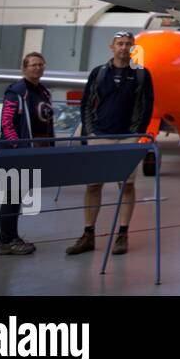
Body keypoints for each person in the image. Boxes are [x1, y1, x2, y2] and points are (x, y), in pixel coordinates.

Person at [66, 31, 154, 257]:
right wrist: (89, 133)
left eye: (127, 44)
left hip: (127, 138)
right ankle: (88, 233)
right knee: (93, 185)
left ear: (133, 48)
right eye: (119, 44)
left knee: (126, 186)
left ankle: (122, 233)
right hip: (99, 135)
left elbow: (147, 106)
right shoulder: (99, 73)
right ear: (111, 47)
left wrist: (137, 136)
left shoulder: (142, 74)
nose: (123, 48)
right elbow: (86, 103)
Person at [0, 52, 55, 256]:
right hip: (18, 153)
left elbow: (48, 123)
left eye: (40, 64)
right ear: (25, 68)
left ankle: (10, 237)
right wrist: (17, 149)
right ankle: (6, 240)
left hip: (36, 152)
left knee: (18, 195)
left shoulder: (44, 93)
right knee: (12, 196)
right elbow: (7, 123)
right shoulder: (16, 92)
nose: (37, 68)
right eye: (33, 65)